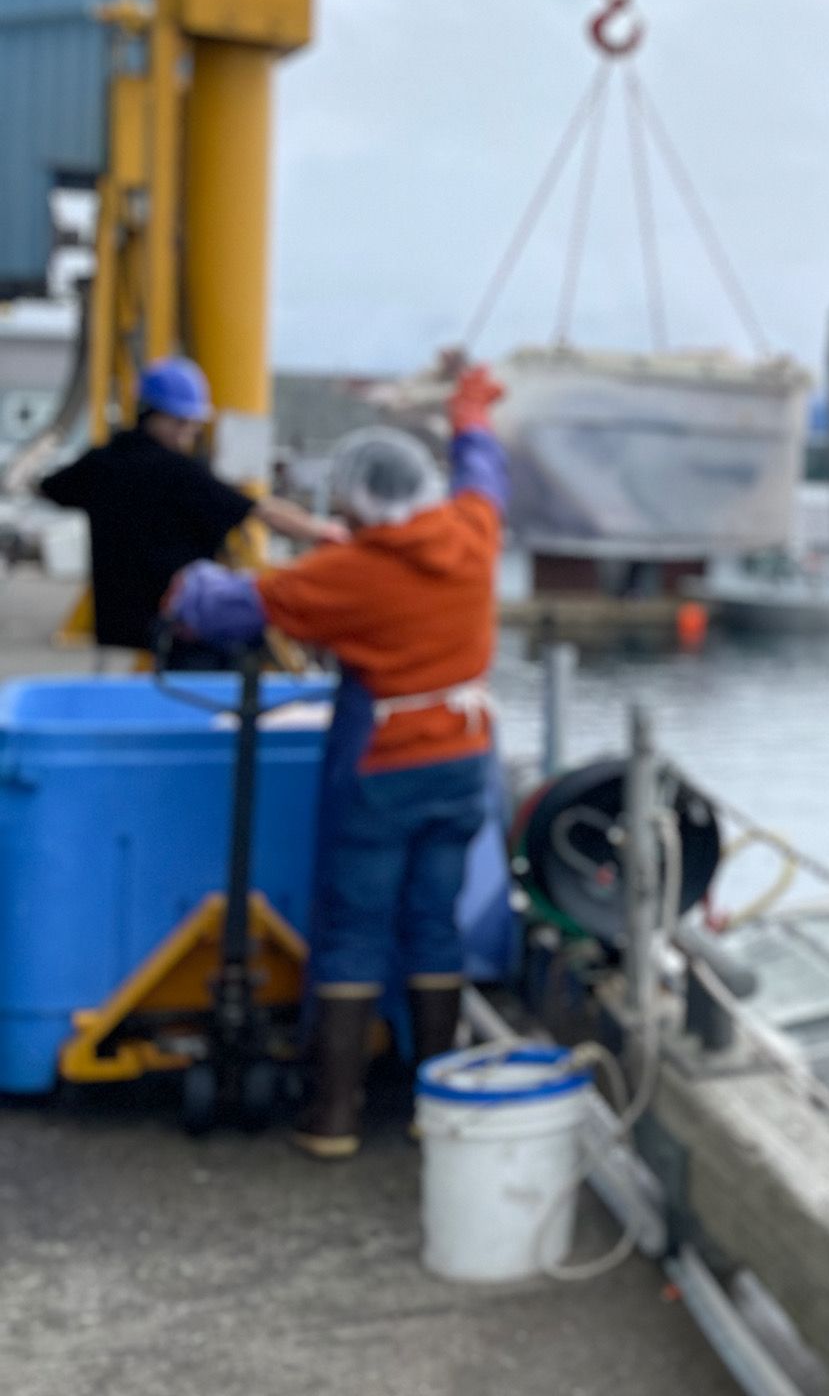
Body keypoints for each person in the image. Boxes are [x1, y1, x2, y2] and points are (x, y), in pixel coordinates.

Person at [166, 364, 508, 1159]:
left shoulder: (348, 573)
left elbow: (231, 608)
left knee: (354, 928)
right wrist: (471, 411)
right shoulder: (474, 531)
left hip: (384, 766)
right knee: (434, 924)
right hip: (464, 762)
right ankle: (439, 1105)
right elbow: (483, 468)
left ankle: (332, 1117)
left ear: (355, 503)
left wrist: (187, 583)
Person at [36, 356, 348, 668]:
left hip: (115, 624)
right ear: (155, 416)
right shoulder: (181, 472)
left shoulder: (101, 462)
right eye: (182, 423)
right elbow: (261, 510)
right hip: (178, 628)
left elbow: (50, 488)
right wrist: (325, 531)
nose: (188, 432)